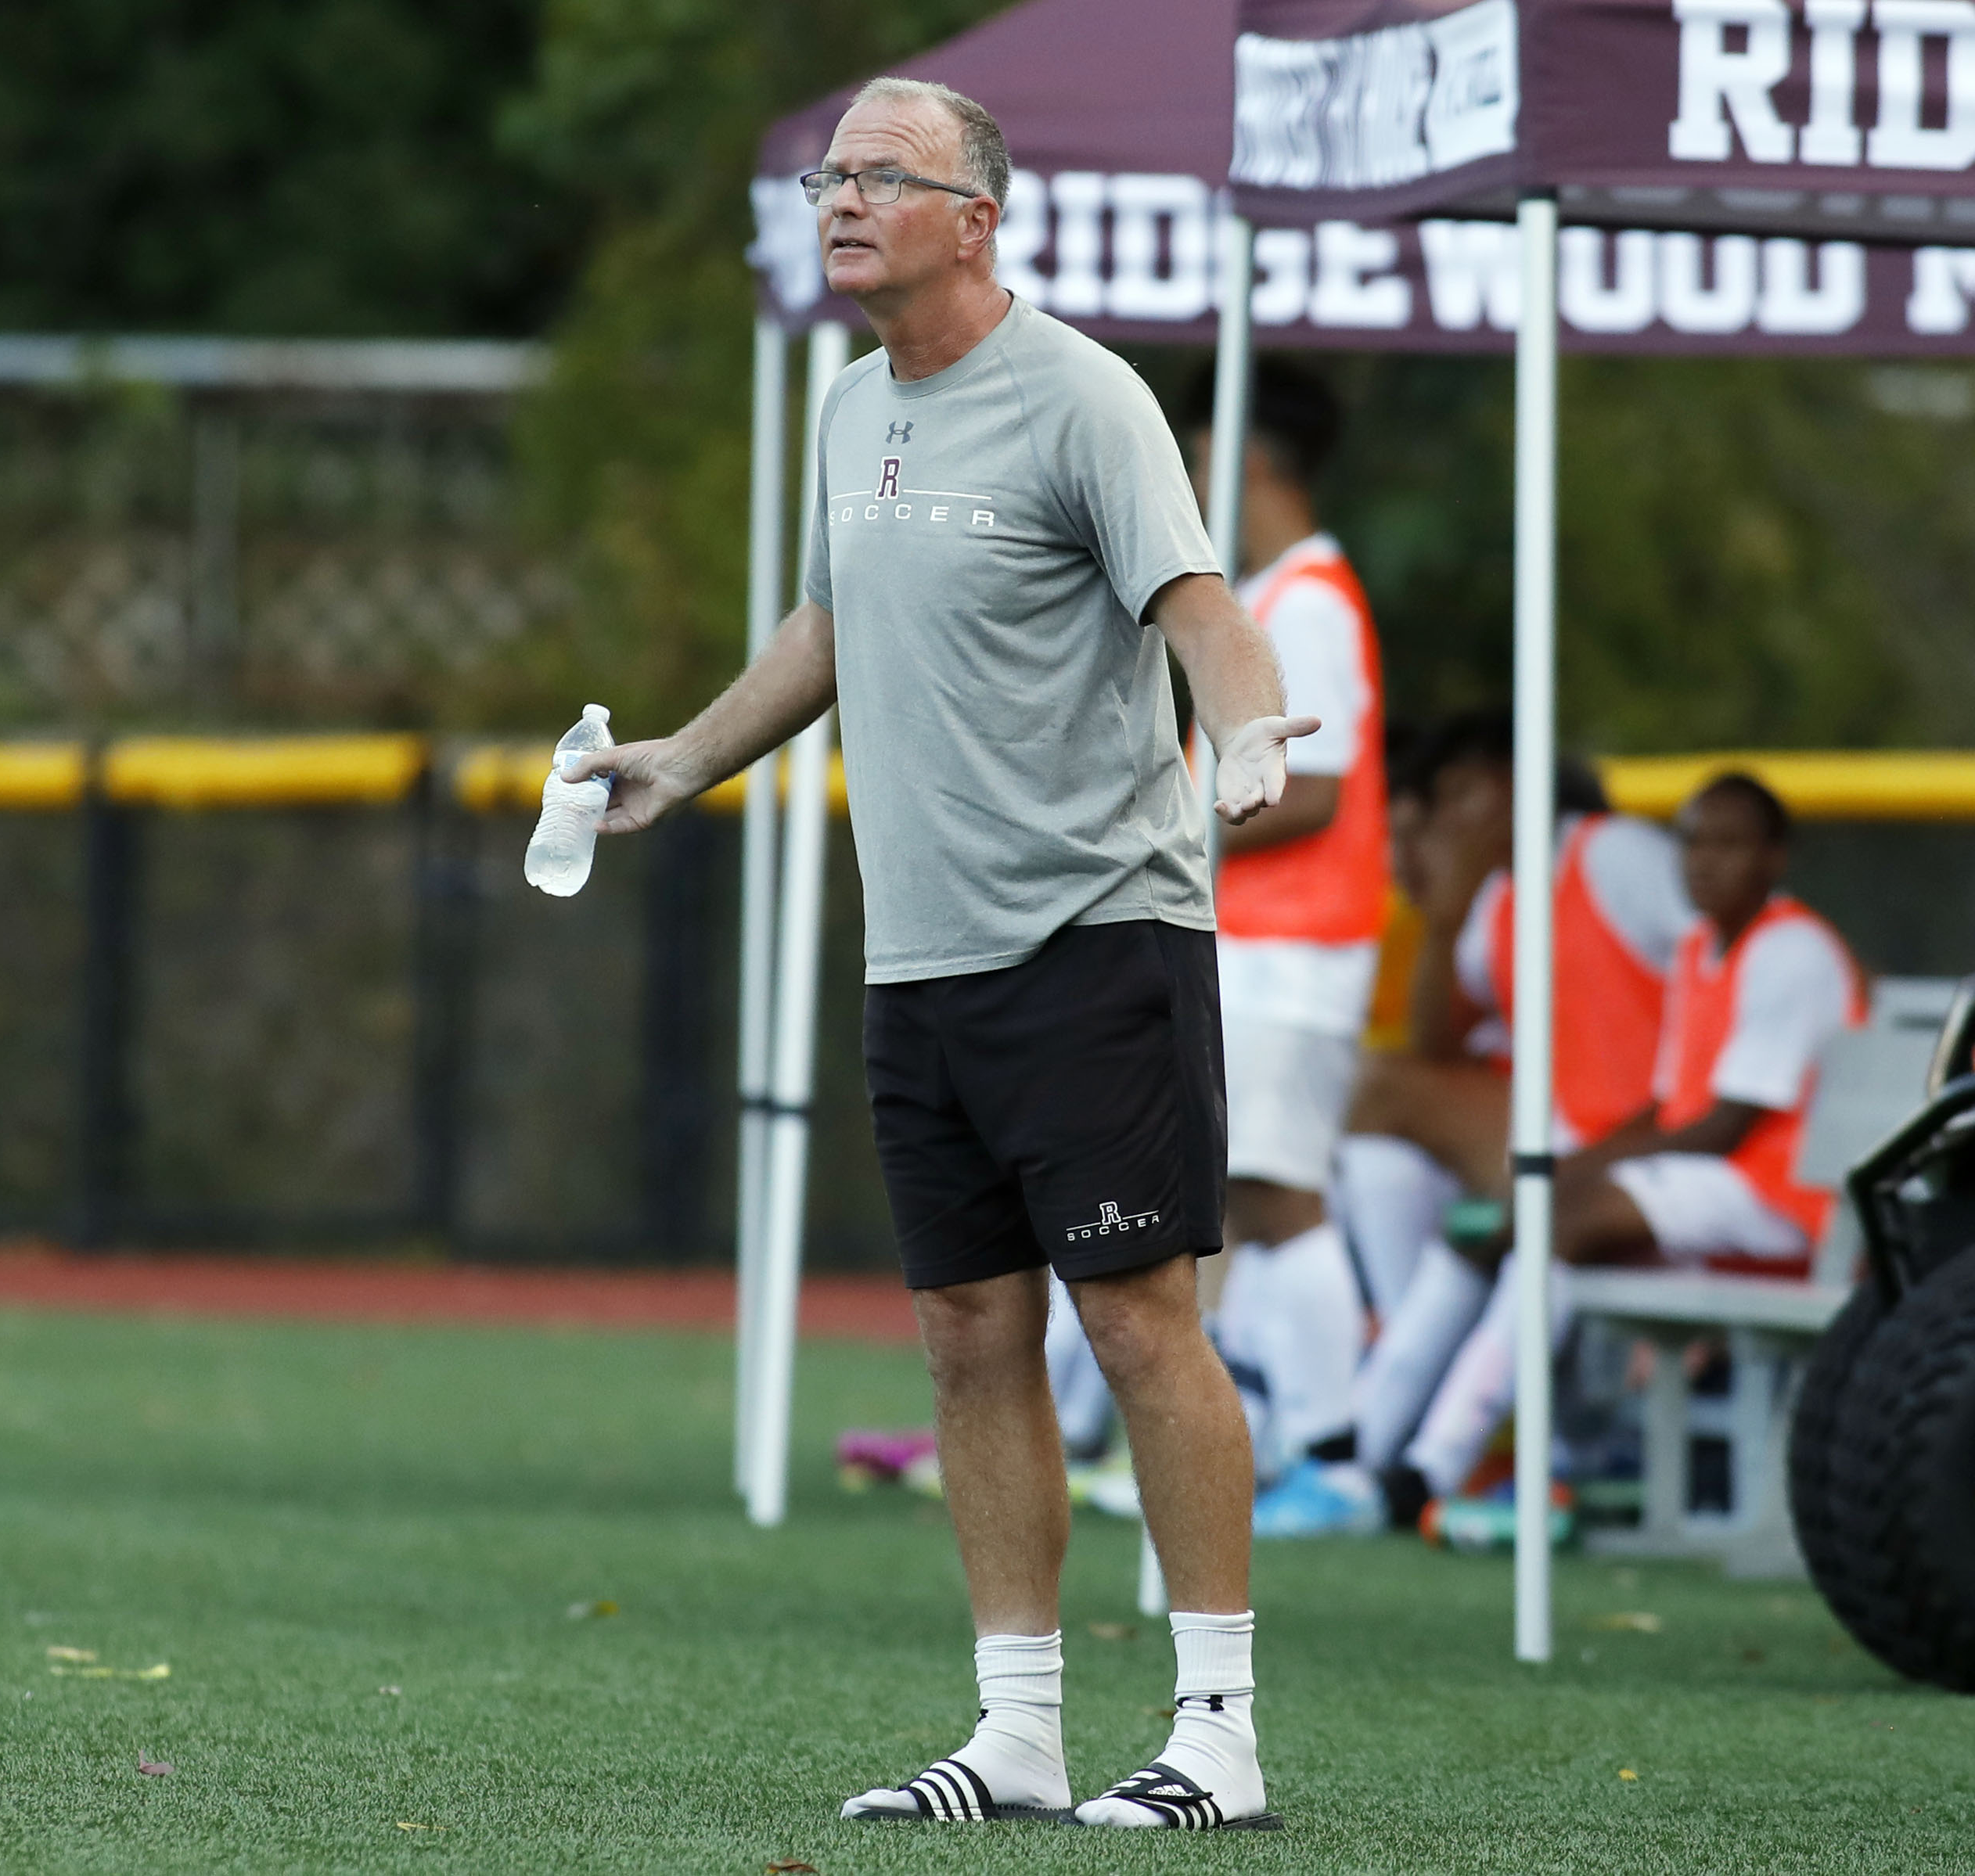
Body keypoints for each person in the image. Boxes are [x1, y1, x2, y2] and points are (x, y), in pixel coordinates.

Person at [570, 76, 1304, 1831]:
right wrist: (679, 756)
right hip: (922, 960)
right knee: (968, 1332)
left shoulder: (1083, 397)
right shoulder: (846, 408)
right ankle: (1020, 1732)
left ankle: (1216, 1730)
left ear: (975, 219)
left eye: (879, 178)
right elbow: (831, 616)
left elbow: (1204, 610)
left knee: (1140, 1325)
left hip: (1095, 937)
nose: (838, 200)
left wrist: (1254, 731)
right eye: (830, 174)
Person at [1372, 772, 1864, 1522]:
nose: (1704, 861)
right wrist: (1562, 1173)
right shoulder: (1702, 947)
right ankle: (1380, 1449)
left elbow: (1726, 1126)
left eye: (1730, 844)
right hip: (1720, 1188)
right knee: (1525, 1222)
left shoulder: (1791, 950)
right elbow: (1667, 1108)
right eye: (1694, 840)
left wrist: (1576, 1181)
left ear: (1774, 858)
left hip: (1785, 1198)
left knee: (1553, 1222)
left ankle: (1431, 1466)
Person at [1303, 711, 1696, 1530]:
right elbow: (1437, 1041)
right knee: (1384, 1156)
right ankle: (1399, 1445)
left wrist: (1681, 1102)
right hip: (1566, 1139)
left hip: (1653, 1138)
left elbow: (1724, 956)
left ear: (1515, 784)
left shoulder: (1608, 852)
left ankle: (1403, 1445)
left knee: (1376, 1095)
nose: (1446, 820)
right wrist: (1445, 916)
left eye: (1458, 796)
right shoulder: (1506, 893)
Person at [1196, 361, 1392, 1522]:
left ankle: (1335, 1454)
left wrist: (1175, 828)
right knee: (1243, 1199)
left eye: (1200, 448)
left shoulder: (1308, 600)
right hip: (1266, 948)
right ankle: (1284, 1441)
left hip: (1292, 951)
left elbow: (1309, 787)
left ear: (1251, 458)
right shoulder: (1283, 590)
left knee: (1278, 1196)